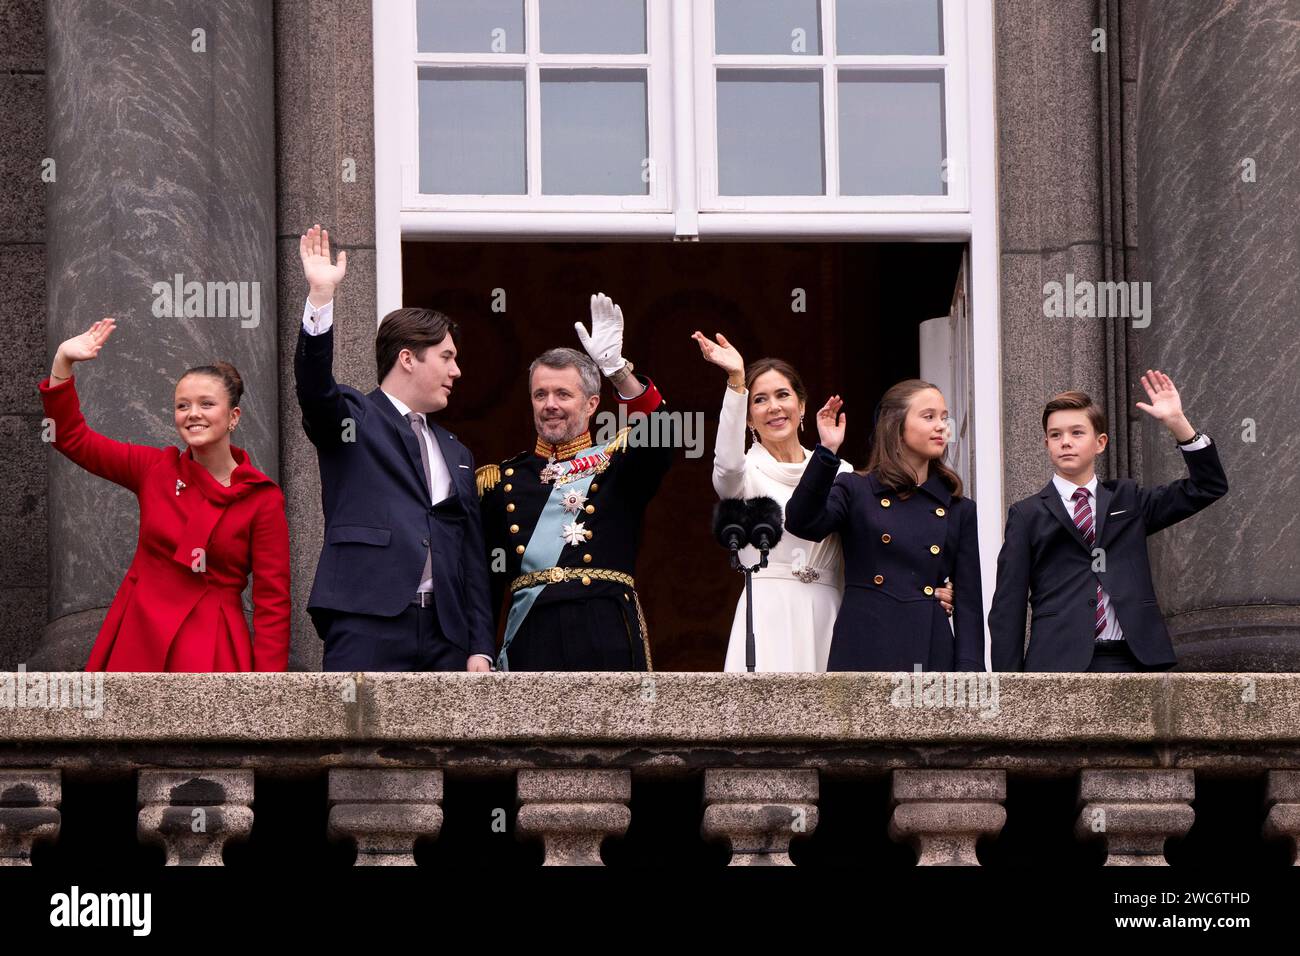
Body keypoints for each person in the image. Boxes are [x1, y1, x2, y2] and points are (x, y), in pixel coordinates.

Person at [692, 333, 956, 672]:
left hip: (832, 611)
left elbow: (880, 546)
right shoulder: (743, 475)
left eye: (783, 395)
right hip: (770, 612)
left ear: (801, 406)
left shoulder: (841, 473)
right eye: (759, 400)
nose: (773, 406)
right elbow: (726, 464)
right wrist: (736, 382)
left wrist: (922, 589)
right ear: (747, 418)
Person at [295, 224, 494, 671]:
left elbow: (471, 556)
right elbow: (313, 390)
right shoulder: (354, 417)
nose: (457, 371)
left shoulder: (457, 451)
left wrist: (480, 644)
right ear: (408, 357)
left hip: (448, 636)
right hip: (368, 621)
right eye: (447, 357)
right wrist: (321, 299)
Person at [38, 319, 290, 671]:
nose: (193, 415)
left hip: (212, 644)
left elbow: (272, 603)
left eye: (206, 404)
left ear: (233, 417)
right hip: (138, 634)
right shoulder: (155, 469)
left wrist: (270, 692)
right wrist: (63, 362)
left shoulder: (261, 498)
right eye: (182, 406)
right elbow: (70, 438)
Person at [478, 294, 672, 671]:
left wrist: (617, 370)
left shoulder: (619, 464)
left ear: (591, 404)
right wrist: (481, 651)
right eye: (540, 394)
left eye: (563, 394)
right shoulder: (499, 482)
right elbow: (486, 583)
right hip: (532, 638)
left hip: (607, 633)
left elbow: (664, 434)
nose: (550, 403)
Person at [988, 373, 1228, 672]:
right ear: (1046, 443)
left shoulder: (1128, 500)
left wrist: (1178, 423)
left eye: (1077, 433)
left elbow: (1208, 487)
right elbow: (1007, 606)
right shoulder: (1026, 514)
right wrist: (1008, 687)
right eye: (1055, 435)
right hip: (1056, 662)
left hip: (1133, 658)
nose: (1065, 442)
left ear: (1100, 443)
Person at [785, 379, 984, 672]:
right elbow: (802, 523)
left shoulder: (959, 509)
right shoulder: (856, 488)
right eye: (928, 417)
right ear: (895, 426)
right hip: (864, 644)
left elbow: (969, 605)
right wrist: (827, 451)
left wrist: (970, 674)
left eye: (944, 417)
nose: (942, 426)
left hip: (931, 651)